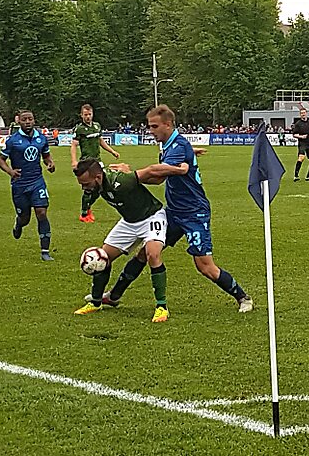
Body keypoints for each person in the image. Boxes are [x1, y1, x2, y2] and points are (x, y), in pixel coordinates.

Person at [102, 105, 253, 313]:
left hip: (194, 213)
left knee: (205, 266)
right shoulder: (169, 146)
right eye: (149, 126)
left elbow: (156, 172)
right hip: (173, 212)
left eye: (154, 126)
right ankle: (114, 296)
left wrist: (130, 175)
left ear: (168, 124)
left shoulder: (177, 146)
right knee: (145, 253)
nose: (151, 131)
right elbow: (158, 178)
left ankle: (243, 297)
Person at [71, 158, 170, 322]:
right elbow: (90, 193)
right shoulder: (96, 184)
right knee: (103, 257)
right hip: (129, 222)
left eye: (86, 183)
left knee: (152, 255)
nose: (84, 187)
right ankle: (96, 302)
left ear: (97, 177)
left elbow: (152, 172)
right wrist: (85, 210)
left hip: (151, 216)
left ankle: (161, 307)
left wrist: (180, 169)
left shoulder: (121, 181)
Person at [0, 110, 56, 261]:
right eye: (24, 119)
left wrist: (50, 164)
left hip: (37, 181)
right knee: (25, 218)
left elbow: (46, 156)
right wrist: (11, 172)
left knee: (42, 213)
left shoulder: (41, 138)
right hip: (19, 185)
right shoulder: (12, 141)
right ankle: (19, 223)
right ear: (19, 122)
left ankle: (45, 251)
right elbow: (1, 161)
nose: (28, 122)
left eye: (30, 119)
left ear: (34, 120)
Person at [70, 104, 120, 223]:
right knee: (88, 189)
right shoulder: (79, 129)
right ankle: (84, 213)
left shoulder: (97, 126)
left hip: (97, 161)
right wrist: (74, 161)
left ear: (92, 114)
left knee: (100, 188)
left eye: (89, 114)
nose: (88, 117)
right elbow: (73, 145)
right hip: (86, 163)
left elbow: (101, 141)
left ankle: (88, 208)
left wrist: (112, 151)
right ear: (81, 115)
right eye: (85, 114)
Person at [290, 108, 309, 182]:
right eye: (302, 113)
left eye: (304, 113)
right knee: (301, 158)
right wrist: (301, 136)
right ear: (300, 114)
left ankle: (308, 176)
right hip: (302, 143)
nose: (303, 114)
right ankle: (296, 176)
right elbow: (294, 134)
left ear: (306, 113)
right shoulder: (298, 124)